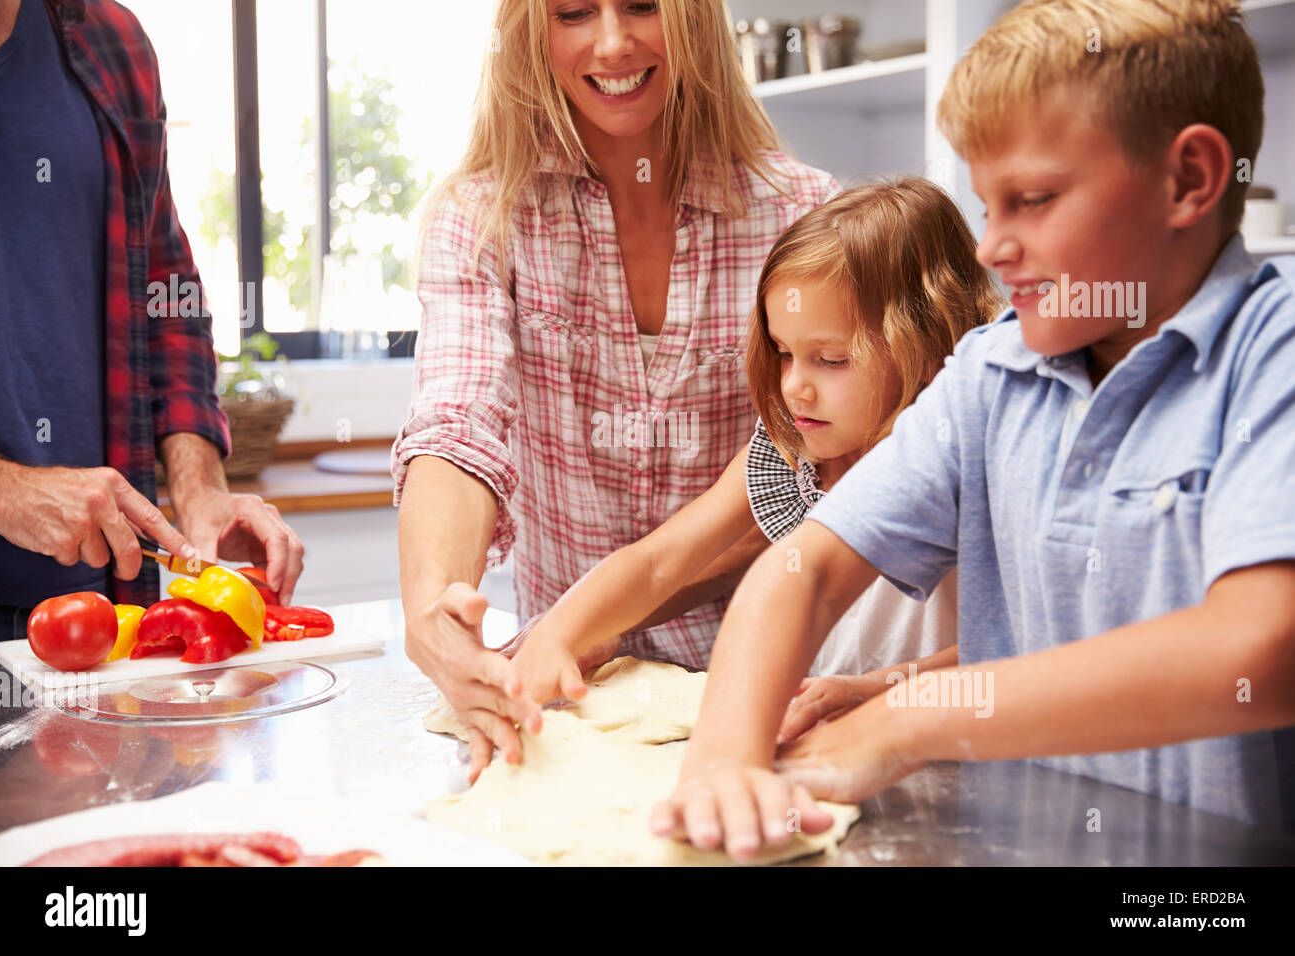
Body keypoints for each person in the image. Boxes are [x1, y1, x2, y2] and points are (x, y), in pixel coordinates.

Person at [652, 0, 1295, 858]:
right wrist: (725, 760)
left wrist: (913, 722)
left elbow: (1259, 649)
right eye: (986, 205)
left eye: (1030, 200)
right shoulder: (993, 374)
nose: (991, 247)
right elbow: (804, 570)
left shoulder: (1272, 358)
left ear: (1188, 180)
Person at [393, 0, 838, 779]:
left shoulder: (802, 215)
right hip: (561, 706)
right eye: (573, 12)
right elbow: (456, 421)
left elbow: (814, 490)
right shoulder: (481, 218)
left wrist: (598, 615)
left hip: (774, 697)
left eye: (642, 6)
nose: (611, 41)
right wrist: (433, 608)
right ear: (532, 34)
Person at [510, 180, 1003, 731]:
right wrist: (559, 630)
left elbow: (1015, 649)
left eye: (832, 360)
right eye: (785, 353)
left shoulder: (976, 461)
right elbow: (656, 562)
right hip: (823, 745)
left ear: (929, 347)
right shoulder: (790, 453)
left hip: (955, 746)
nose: (795, 386)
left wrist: (875, 691)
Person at [0, 0, 304, 642]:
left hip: (93, 618)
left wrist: (199, 491)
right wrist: (5, 490)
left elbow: (166, 289)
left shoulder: (110, 38)